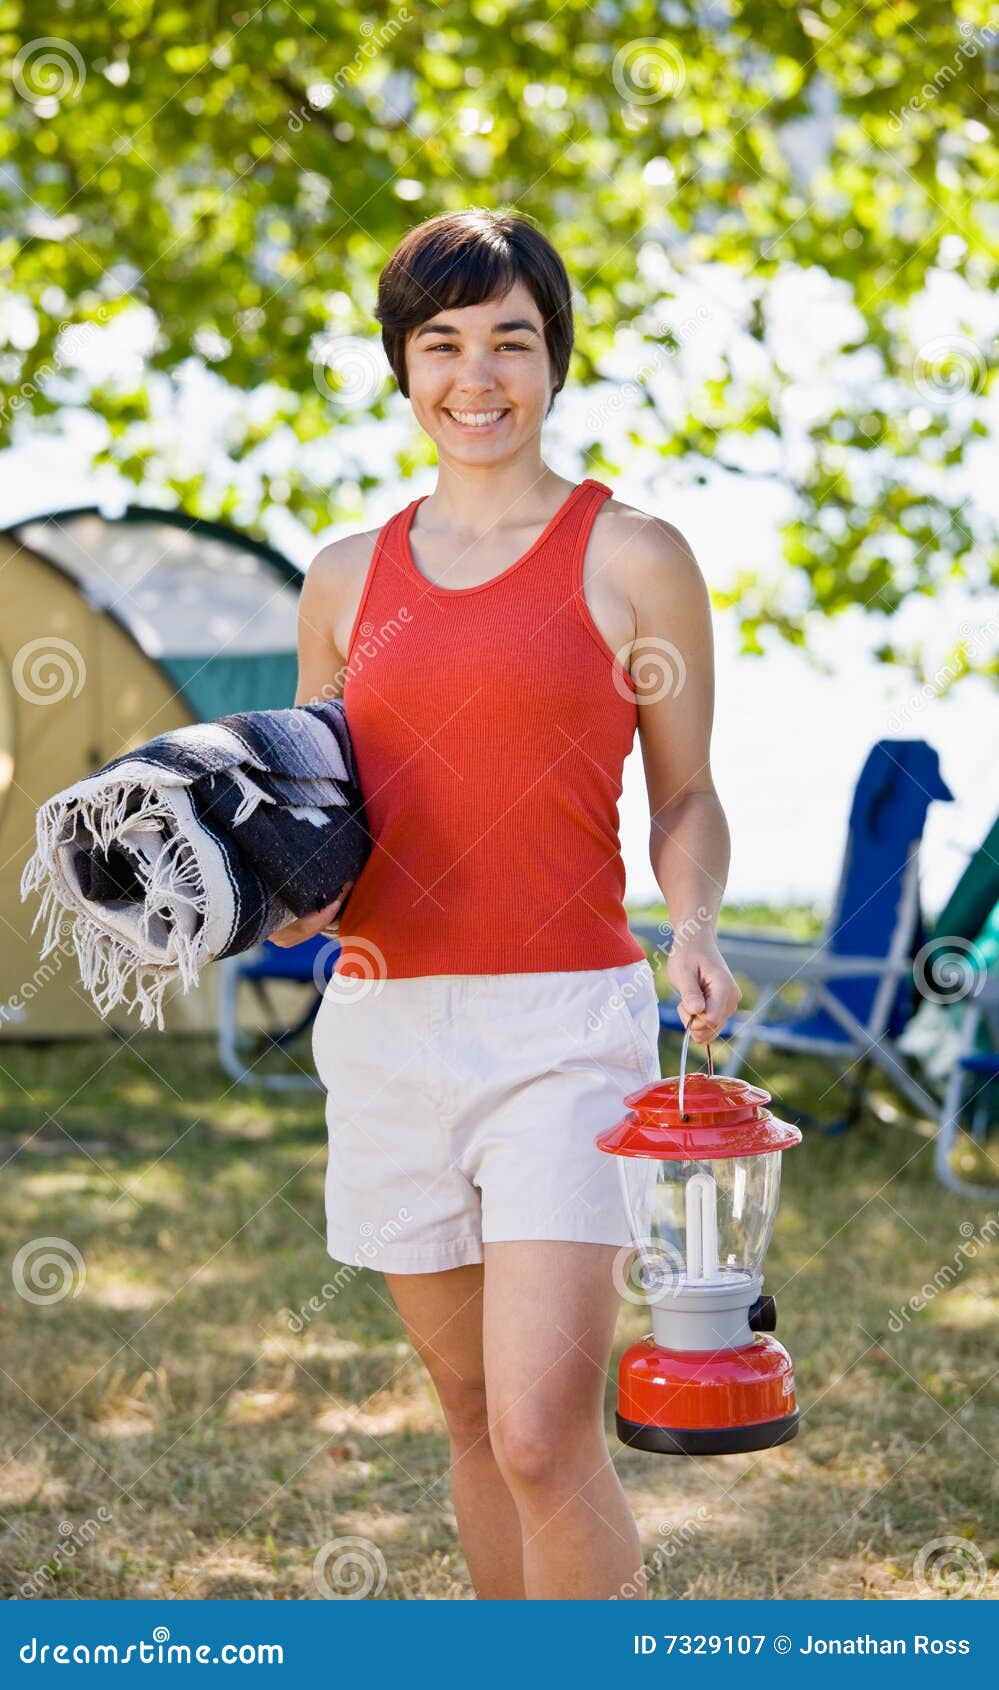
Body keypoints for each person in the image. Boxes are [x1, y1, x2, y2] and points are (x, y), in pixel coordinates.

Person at [272, 207, 741, 1600]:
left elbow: (685, 794)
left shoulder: (634, 556)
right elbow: (310, 807)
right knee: (474, 1416)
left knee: (544, 1431)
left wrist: (698, 924)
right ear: (403, 368)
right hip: (384, 1028)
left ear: (555, 359)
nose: (476, 377)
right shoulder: (344, 577)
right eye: (442, 343)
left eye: (510, 341)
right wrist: (289, 897)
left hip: (563, 1030)